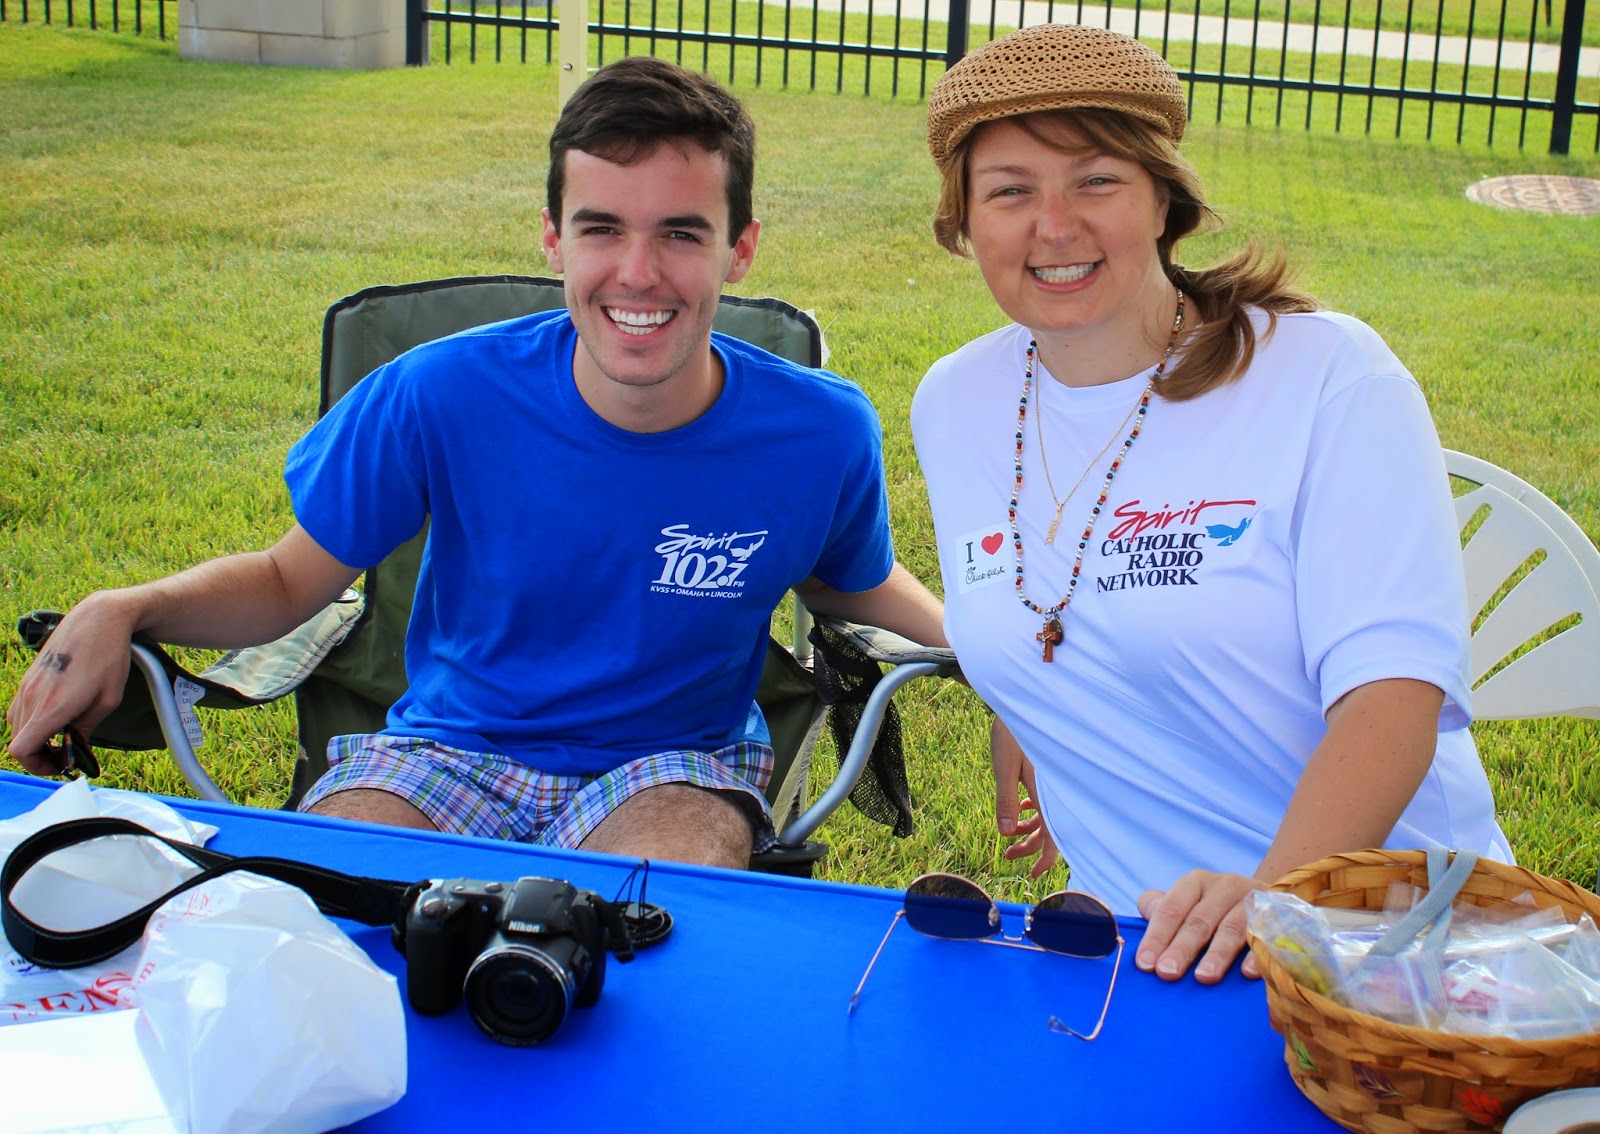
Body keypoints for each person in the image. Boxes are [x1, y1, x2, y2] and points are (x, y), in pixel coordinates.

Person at [7, 56, 944, 870]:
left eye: (682, 233)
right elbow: (288, 580)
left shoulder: (817, 431)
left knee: (645, 937)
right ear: (553, 239)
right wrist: (122, 608)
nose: (638, 272)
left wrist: (1006, 659)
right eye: (601, 228)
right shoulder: (437, 393)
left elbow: (852, 586)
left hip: (676, 763)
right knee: (332, 917)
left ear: (739, 249)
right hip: (446, 752)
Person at [910, 25, 1510, 986]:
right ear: (965, 221)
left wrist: (1272, 902)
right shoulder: (954, 402)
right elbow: (1040, 589)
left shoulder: (1326, 375)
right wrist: (1026, 685)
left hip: (1385, 943)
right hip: (1135, 955)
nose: (1053, 226)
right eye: (1010, 190)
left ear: (1163, 200)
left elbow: (1395, 697)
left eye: (1096, 180)